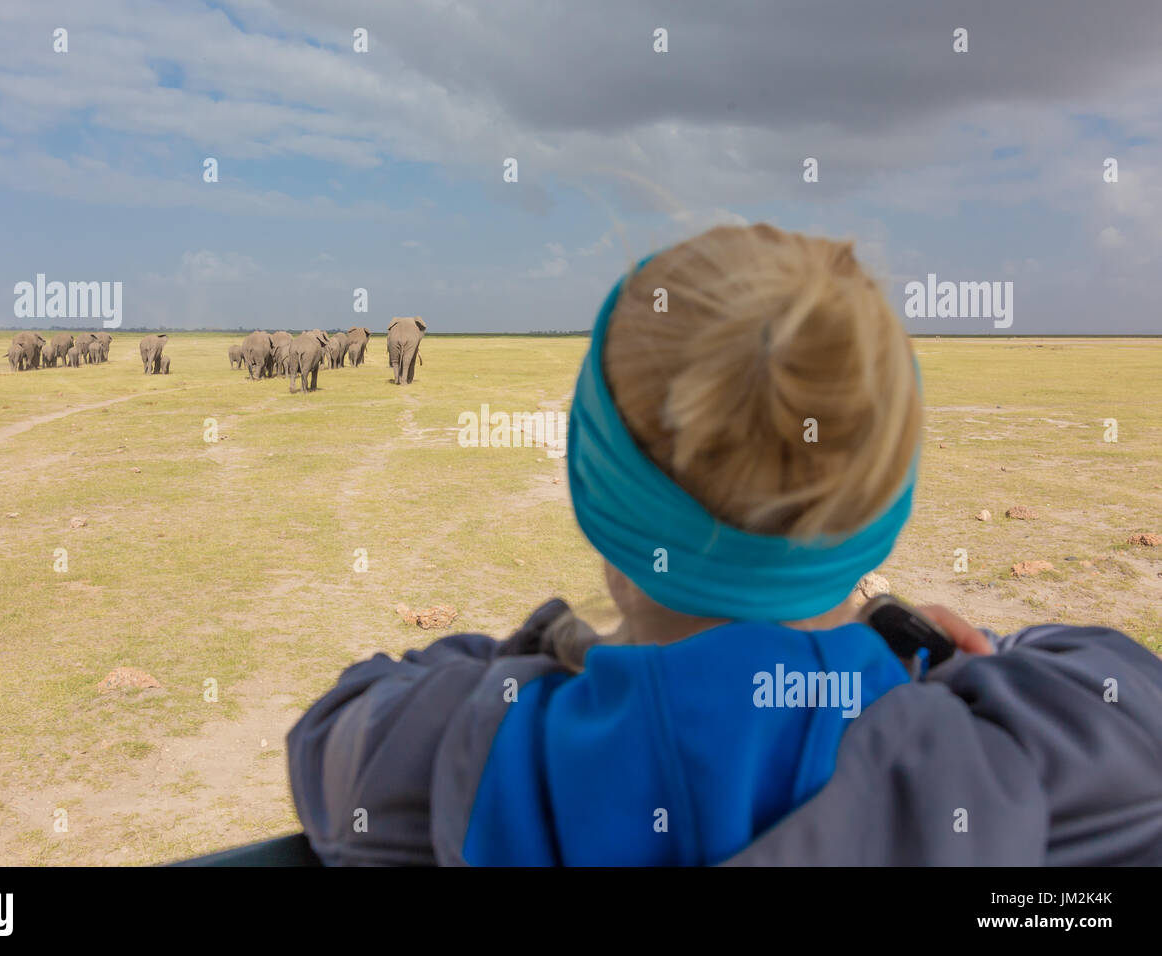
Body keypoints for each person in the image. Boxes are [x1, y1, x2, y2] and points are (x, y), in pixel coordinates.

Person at [287, 224, 1162, 865]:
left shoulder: (466, 752)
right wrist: (917, 639)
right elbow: (1113, 688)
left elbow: (335, 726)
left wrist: (556, 647)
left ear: (597, 490)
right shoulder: (1026, 760)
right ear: (884, 500)